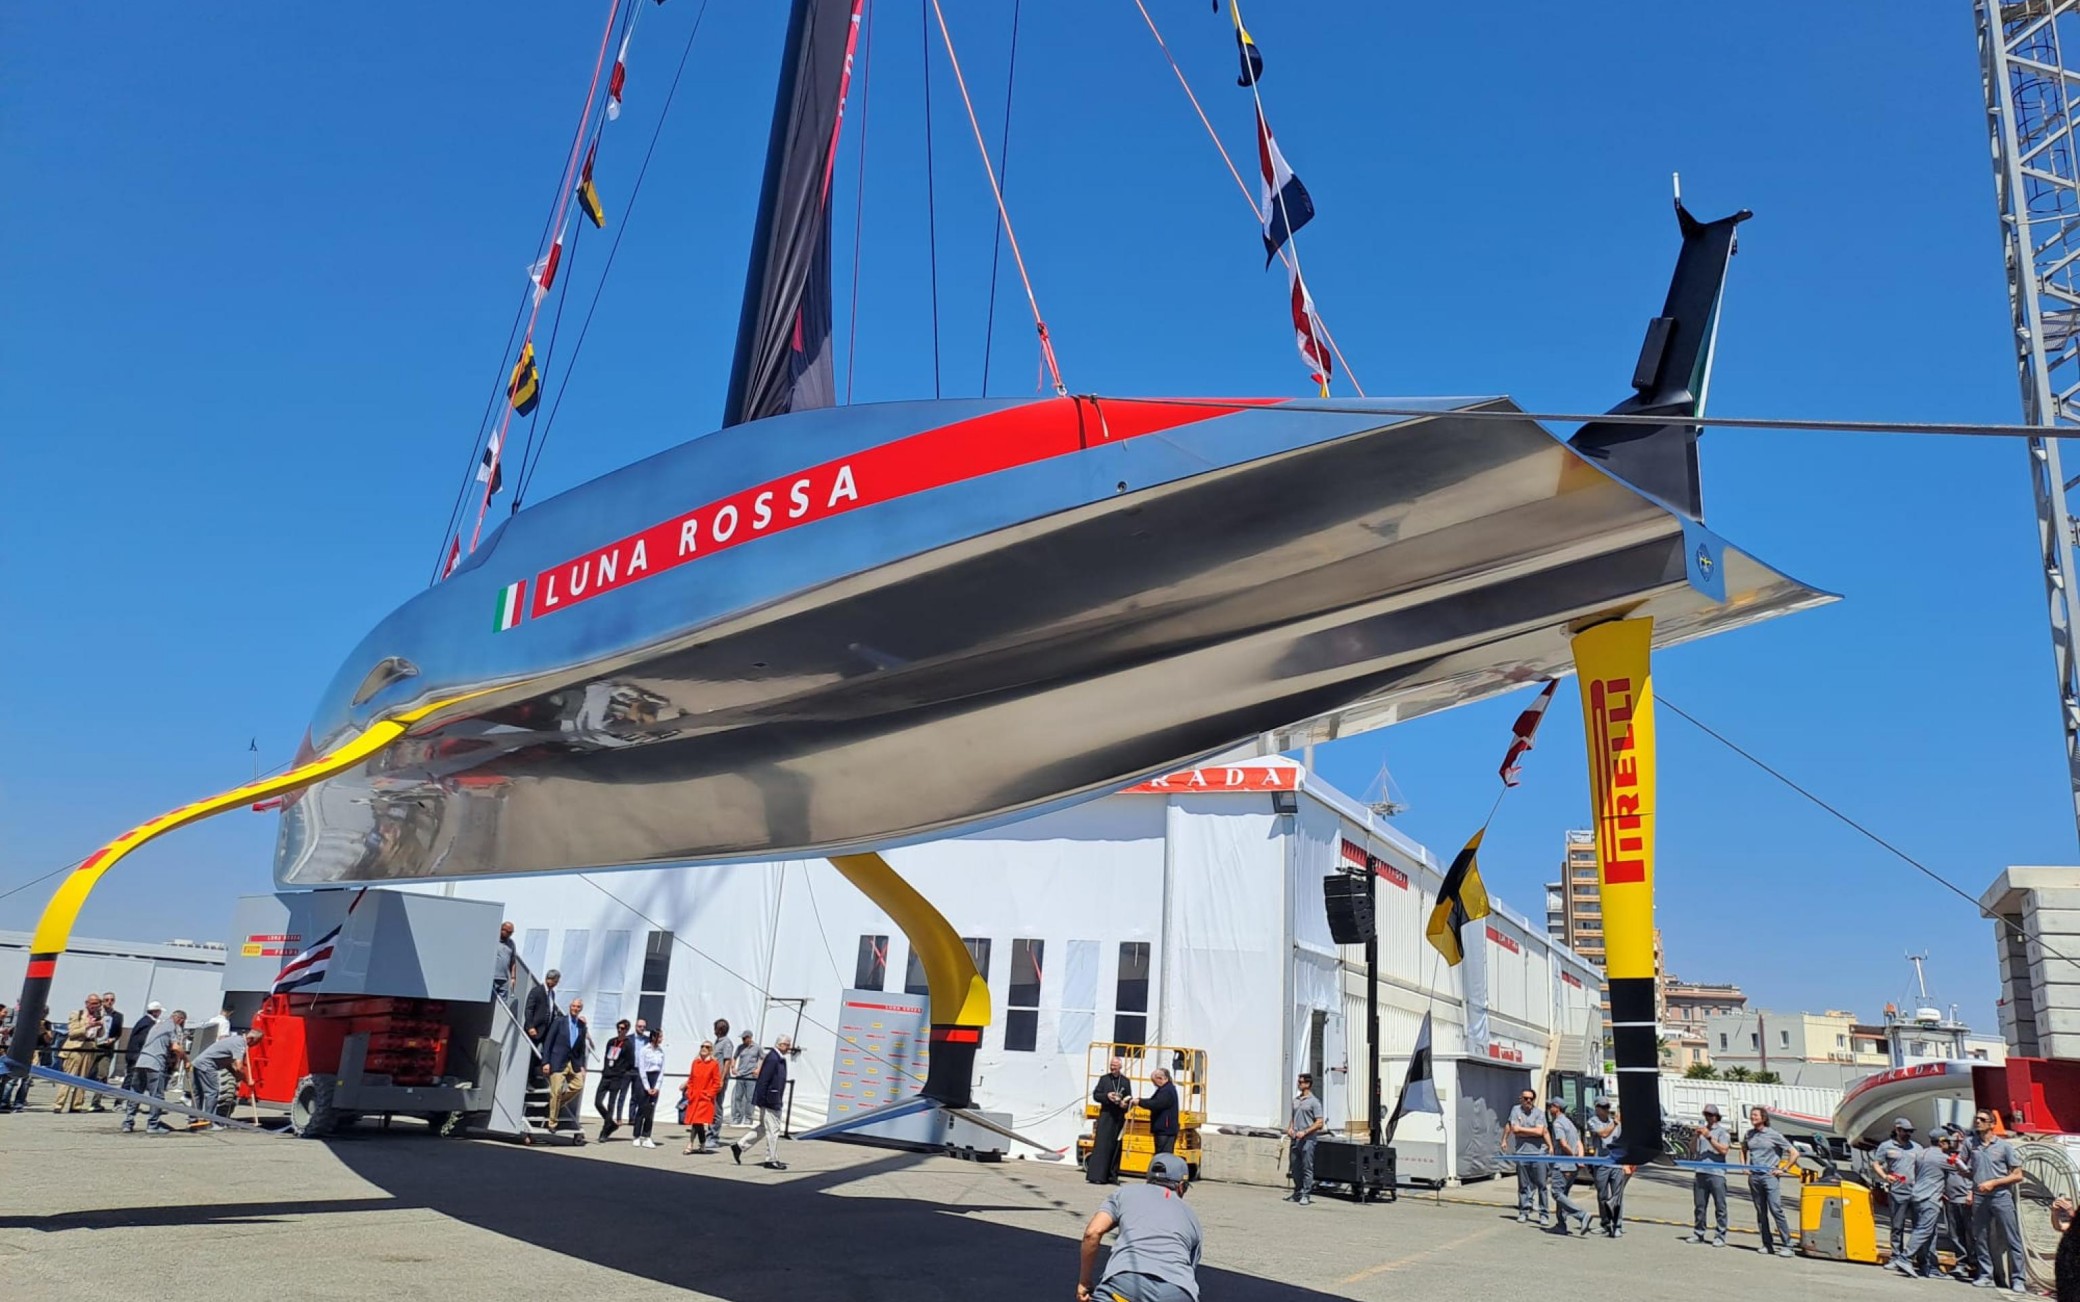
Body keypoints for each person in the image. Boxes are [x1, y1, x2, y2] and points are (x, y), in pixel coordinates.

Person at [1077, 1153, 1201, 1302]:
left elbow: (1093, 1232)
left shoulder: (1124, 1193)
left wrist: (1084, 1282)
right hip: (1178, 1291)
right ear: (1181, 1187)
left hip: (1126, 1283)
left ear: (1148, 1178)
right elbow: (1190, 1269)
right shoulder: (1192, 1219)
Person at [1969, 1108, 2028, 1291]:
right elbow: (1967, 1170)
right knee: (1981, 1237)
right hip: (1980, 1197)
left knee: (2013, 1238)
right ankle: (1986, 1274)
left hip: (2001, 1196)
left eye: (1982, 1119)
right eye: (1976, 1118)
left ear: (1992, 1124)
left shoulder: (2004, 1147)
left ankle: (2018, 1279)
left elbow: (2018, 1175)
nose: (1977, 1121)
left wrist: (1994, 1182)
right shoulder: (1971, 1144)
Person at [1741, 1106, 1798, 1258]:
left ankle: (1787, 1245)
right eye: (1752, 1115)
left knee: (1776, 1209)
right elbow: (1743, 1149)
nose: (1753, 1117)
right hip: (1754, 1177)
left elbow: (1794, 1153)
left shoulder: (1774, 1135)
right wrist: (1744, 1165)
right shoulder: (1749, 1134)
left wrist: (1784, 1169)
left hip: (1769, 1177)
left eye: (1755, 1115)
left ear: (1763, 1118)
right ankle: (1767, 1244)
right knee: (1761, 1212)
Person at [731, 1034, 793, 1170]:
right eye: (787, 1045)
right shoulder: (773, 1058)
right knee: (773, 1130)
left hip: (772, 1098)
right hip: (770, 1099)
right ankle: (771, 1159)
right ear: (780, 1045)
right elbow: (764, 1080)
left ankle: (740, 1146)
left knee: (764, 1128)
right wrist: (762, 1099)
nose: (789, 1048)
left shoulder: (778, 1058)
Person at [123, 1009, 186, 1134]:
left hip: (141, 1061)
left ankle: (128, 1123)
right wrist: (186, 1060)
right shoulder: (172, 1027)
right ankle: (152, 1125)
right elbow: (175, 1047)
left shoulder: (157, 1025)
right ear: (180, 1019)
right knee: (156, 1096)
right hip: (155, 1064)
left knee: (136, 1093)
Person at [1902, 1128, 1952, 1278]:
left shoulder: (1921, 1153)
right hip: (1930, 1198)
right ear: (1942, 1142)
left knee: (1930, 1233)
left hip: (1917, 1196)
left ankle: (1929, 1266)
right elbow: (1965, 1170)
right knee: (1924, 1230)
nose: (1949, 1144)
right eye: (1948, 1141)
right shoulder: (1941, 1158)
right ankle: (1905, 1257)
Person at [189, 1026, 261, 1127]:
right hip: (207, 1065)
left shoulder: (234, 1040)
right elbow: (239, 1066)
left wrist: (235, 1075)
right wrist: (248, 1081)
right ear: (251, 1039)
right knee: (212, 1092)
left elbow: (227, 1063)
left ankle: (194, 1119)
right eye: (256, 1043)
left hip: (199, 1063)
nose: (255, 1045)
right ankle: (209, 1120)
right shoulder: (240, 1044)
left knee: (198, 1093)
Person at [1543, 1100, 1593, 1235]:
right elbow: (1579, 1142)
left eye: (1550, 1106)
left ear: (1557, 1108)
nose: (1548, 1108)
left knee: (1556, 1193)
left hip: (1563, 1165)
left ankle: (1582, 1215)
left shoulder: (1558, 1123)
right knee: (1563, 1195)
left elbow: (1564, 1144)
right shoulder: (1570, 1123)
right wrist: (1579, 1159)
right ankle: (1561, 1224)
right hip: (1573, 1166)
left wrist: (1573, 1157)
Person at [542, 995, 590, 1137]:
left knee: (578, 1085)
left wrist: (581, 1066)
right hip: (558, 1061)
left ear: (580, 1009)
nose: (575, 1009)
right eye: (574, 1006)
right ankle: (552, 1123)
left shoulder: (582, 1026)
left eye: (578, 1007)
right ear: (570, 1007)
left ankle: (556, 1104)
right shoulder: (559, 1022)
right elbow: (548, 1042)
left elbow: (580, 1048)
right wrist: (546, 1062)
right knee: (556, 1091)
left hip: (573, 1063)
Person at [1872, 1117, 1919, 1261]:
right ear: (1897, 1130)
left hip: (1916, 1191)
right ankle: (1896, 1255)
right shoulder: (1886, 1146)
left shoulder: (1917, 1147)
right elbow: (1876, 1164)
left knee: (1919, 1226)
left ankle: (1914, 1255)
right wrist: (1885, 1177)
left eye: (1910, 1131)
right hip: (1898, 1190)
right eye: (1905, 1131)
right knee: (1897, 1226)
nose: (1908, 1134)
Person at [52, 993, 107, 1113]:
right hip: (75, 1048)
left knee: (82, 1078)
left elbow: (101, 1035)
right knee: (68, 1077)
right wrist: (88, 1026)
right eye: (93, 1003)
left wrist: (101, 1026)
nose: (95, 1006)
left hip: (90, 1047)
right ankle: (59, 1104)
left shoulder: (99, 1016)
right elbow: (72, 1033)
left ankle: (76, 1105)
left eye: (98, 1003)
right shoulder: (78, 1014)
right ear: (87, 1003)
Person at [1505, 1087, 1552, 1225]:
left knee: (1542, 1185)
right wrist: (1527, 1131)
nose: (1528, 1101)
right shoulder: (1515, 1110)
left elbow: (1540, 1132)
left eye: (1531, 1098)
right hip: (1521, 1153)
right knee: (1523, 1185)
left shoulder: (1539, 1113)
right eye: (1526, 1098)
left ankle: (1544, 1214)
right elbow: (1514, 1129)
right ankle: (1524, 1211)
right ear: (1521, 1099)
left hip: (1538, 1154)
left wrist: (1522, 1130)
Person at [1689, 1104, 1731, 1247]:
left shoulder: (1722, 1133)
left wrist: (1709, 1137)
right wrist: (1696, 1136)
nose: (1708, 1117)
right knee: (1700, 1206)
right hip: (1700, 1171)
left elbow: (1724, 1150)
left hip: (1717, 1173)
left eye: (1711, 1115)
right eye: (1706, 1115)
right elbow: (1693, 1150)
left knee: (1720, 1206)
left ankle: (1720, 1235)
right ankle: (1698, 1233)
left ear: (1716, 1117)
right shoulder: (1703, 1132)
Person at [1089, 1055, 1134, 1185]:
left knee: (1116, 1146)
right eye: (1111, 1065)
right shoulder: (1104, 1079)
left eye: (1115, 1066)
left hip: (1119, 1116)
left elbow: (1129, 1097)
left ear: (1120, 1067)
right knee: (1102, 1145)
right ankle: (1097, 1176)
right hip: (1106, 1115)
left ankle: (1112, 1176)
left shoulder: (1125, 1081)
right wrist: (1107, 1096)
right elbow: (1096, 1095)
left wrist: (1125, 1104)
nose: (1113, 1068)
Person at [1587, 1099, 1628, 1237]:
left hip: (1616, 1163)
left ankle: (1617, 1224)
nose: (1606, 1109)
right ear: (1597, 1108)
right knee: (1602, 1196)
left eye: (1608, 1107)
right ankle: (1605, 1223)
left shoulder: (1616, 1123)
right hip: (1601, 1163)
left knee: (1617, 1196)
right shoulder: (1592, 1121)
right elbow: (1604, 1134)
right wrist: (1615, 1123)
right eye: (1603, 1107)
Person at [1941, 1128, 1979, 1281]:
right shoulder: (1949, 1155)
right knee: (1954, 1233)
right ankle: (1961, 1262)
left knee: (1971, 1234)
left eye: (1959, 1137)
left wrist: (1971, 1192)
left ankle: (1975, 1264)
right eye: (1954, 1137)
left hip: (1966, 1198)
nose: (1956, 1139)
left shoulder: (1971, 1156)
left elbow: (1975, 1175)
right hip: (1951, 1198)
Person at [1286, 1073, 1325, 1206]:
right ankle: (1297, 1191)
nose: (1299, 1084)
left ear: (1308, 1084)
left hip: (1308, 1140)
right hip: (1295, 1139)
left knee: (1307, 1167)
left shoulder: (1314, 1102)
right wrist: (1290, 1128)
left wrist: (1306, 1132)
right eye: (1298, 1081)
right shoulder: (1296, 1100)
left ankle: (1306, 1194)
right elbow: (1293, 1118)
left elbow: (1319, 1122)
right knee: (1295, 1167)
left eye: (1301, 1082)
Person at [681, 1038, 724, 1155]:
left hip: (705, 1098)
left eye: (707, 1047)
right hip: (694, 1096)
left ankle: (690, 1144)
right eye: (702, 1046)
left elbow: (717, 1082)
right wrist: (689, 1091)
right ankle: (703, 1144)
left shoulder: (714, 1064)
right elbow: (691, 1079)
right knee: (697, 1122)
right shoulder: (695, 1063)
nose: (704, 1049)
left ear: (711, 1051)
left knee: (696, 1121)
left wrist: (709, 1094)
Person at [596, 1019, 636, 1141]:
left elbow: (630, 1062)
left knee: (611, 1103)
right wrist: (605, 1069)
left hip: (617, 1077)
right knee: (598, 1102)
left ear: (627, 1030)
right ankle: (611, 1123)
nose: (620, 1030)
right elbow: (606, 1056)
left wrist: (621, 1071)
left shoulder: (628, 1044)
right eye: (618, 1028)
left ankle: (605, 1130)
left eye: (623, 1028)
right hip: (606, 1075)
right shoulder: (611, 1041)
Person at [629, 1027, 666, 1149]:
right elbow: (642, 1069)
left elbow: (662, 1070)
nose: (661, 1039)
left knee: (651, 1109)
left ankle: (647, 1135)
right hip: (644, 1079)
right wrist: (647, 1086)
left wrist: (657, 1086)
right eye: (659, 1036)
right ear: (653, 1037)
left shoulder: (661, 1052)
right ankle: (636, 1135)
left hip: (655, 1079)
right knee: (642, 1108)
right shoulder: (645, 1050)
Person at [89, 993, 123, 1109]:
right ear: (102, 1001)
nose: (109, 1002)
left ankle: (96, 1102)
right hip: (93, 1046)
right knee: (86, 1073)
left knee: (102, 1075)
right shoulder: (96, 1013)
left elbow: (118, 1032)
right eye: (106, 1000)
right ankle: (77, 1100)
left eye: (112, 1000)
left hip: (107, 1048)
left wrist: (113, 1039)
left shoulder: (118, 1016)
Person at [123, 1001, 161, 1094]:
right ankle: (121, 1100)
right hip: (136, 1055)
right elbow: (142, 1040)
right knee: (132, 1079)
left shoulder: (144, 1021)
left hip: (134, 1054)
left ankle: (125, 1099)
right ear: (155, 1012)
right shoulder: (148, 1023)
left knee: (134, 1079)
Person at [1142, 1067, 1181, 1157]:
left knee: (1163, 1155)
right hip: (1165, 1129)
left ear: (1160, 1079)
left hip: (1165, 1129)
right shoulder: (1166, 1089)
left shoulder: (1166, 1091)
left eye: (1154, 1081)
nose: (1154, 1084)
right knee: (1163, 1154)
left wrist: (1139, 1102)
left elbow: (1156, 1103)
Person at [729, 1029, 760, 1128]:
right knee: (738, 1097)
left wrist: (758, 1069)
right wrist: (733, 1067)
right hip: (740, 1075)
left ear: (749, 1038)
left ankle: (748, 1118)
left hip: (751, 1075)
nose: (743, 1040)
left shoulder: (757, 1048)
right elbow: (734, 1057)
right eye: (742, 1038)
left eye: (744, 1038)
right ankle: (737, 1118)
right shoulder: (740, 1047)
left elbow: (762, 1058)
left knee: (750, 1098)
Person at [524, 969, 561, 1049]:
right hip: (535, 1029)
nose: (556, 984)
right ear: (549, 979)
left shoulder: (552, 994)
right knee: (532, 1053)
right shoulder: (536, 991)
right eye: (555, 981)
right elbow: (529, 1009)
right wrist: (530, 1026)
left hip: (546, 1030)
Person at [492, 921, 518, 1005]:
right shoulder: (493, 940)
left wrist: (513, 977)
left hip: (504, 979)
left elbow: (513, 961)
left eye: (511, 933)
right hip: (492, 978)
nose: (510, 935)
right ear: (502, 929)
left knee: (502, 1004)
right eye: (508, 932)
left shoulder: (511, 943)